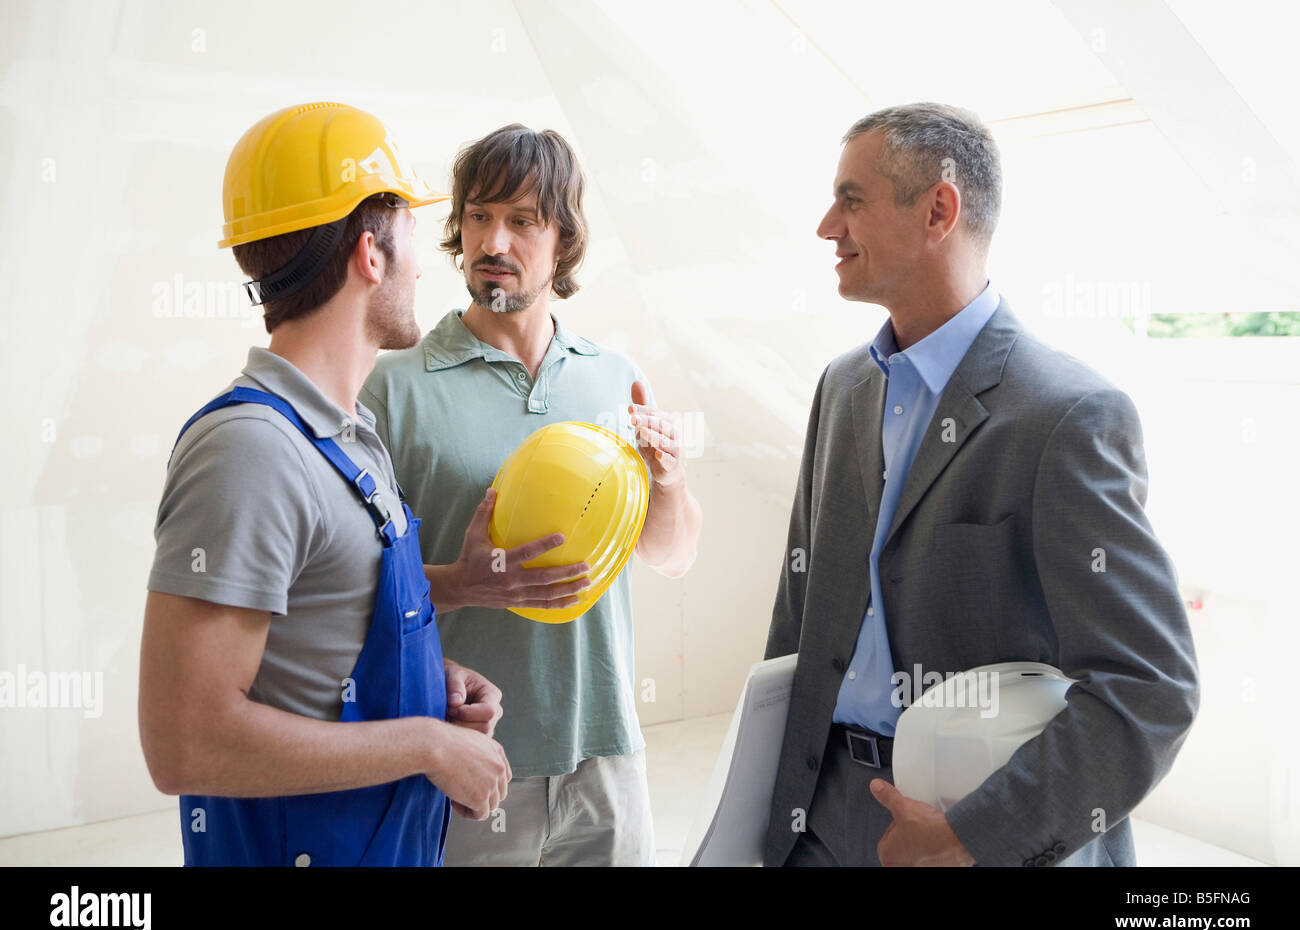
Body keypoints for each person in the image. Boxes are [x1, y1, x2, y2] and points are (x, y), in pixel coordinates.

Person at [762, 102, 1199, 867]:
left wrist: (976, 834)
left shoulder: (1068, 415)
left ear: (938, 210)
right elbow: (796, 625)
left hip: (972, 827)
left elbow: (1149, 688)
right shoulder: (842, 388)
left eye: (852, 200)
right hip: (818, 818)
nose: (828, 226)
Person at [138, 103, 511, 867]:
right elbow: (185, 741)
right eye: (410, 234)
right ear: (370, 253)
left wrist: (418, 682)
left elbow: (318, 624)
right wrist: (424, 744)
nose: (419, 263)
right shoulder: (250, 451)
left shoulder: (346, 433)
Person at [362, 124, 702, 866]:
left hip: (607, 752)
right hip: (470, 757)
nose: (494, 241)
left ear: (564, 241)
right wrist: (461, 584)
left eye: (522, 220)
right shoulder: (395, 387)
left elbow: (672, 557)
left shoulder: (613, 376)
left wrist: (669, 482)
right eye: (479, 216)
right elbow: (353, 587)